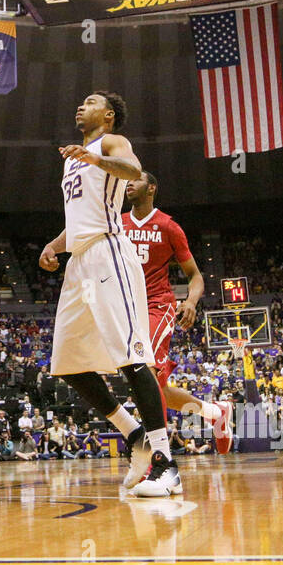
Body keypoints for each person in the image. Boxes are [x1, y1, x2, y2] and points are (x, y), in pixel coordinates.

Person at [38, 92, 176, 498]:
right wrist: (54, 245)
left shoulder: (110, 144)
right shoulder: (74, 158)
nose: (80, 106)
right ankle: (135, 436)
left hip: (109, 254)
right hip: (79, 259)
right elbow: (80, 219)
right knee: (66, 363)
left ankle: (166, 466)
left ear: (108, 114)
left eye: (90, 101)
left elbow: (133, 169)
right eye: (79, 101)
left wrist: (95, 158)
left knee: (133, 358)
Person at [121, 171, 220, 433]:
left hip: (158, 305)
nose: (128, 183)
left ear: (151, 188)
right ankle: (215, 412)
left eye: (136, 179)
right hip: (126, 310)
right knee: (158, 387)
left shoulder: (168, 226)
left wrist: (190, 302)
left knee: (147, 374)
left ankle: (159, 455)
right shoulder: (117, 224)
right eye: (127, 180)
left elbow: (195, 276)